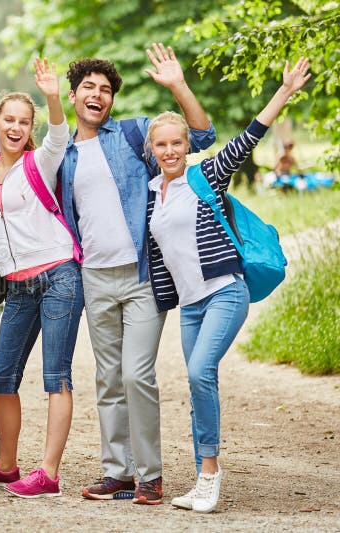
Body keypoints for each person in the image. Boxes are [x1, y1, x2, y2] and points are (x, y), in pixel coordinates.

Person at [145, 57, 311, 513]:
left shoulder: (204, 178)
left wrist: (285, 91)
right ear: (152, 150)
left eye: (177, 142)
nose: (171, 151)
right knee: (200, 383)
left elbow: (249, 136)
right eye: (162, 145)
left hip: (225, 291)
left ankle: (211, 475)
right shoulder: (149, 195)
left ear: (185, 145)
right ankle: (203, 475)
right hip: (190, 306)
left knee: (200, 372)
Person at [58, 44, 217, 505]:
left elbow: (201, 137)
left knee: (135, 375)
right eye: (89, 87)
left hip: (142, 275)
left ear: (111, 102)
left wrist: (178, 86)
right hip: (94, 276)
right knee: (107, 378)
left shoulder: (132, 134)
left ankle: (150, 474)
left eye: (105, 90)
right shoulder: (62, 151)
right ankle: (118, 472)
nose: (97, 94)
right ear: (73, 96)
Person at [0, 59, 85, 498]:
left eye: (24, 121)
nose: (16, 127)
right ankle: (5, 465)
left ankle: (49, 474)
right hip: (17, 288)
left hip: (58, 276)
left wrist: (53, 95)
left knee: (56, 376)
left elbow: (59, 134)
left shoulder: (42, 161)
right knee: (3, 378)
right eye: (8, 120)